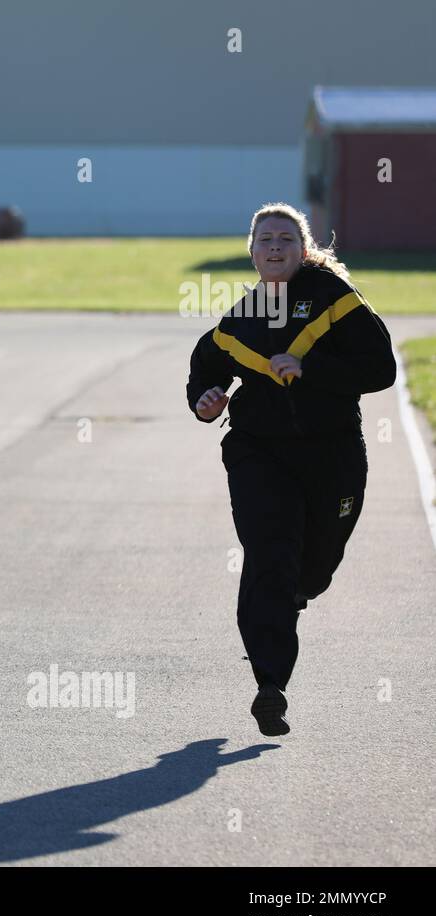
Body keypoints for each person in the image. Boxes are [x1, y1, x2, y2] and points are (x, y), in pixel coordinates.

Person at [186, 202, 395, 736]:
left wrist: (311, 368)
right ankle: (270, 683)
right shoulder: (240, 319)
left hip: (333, 454)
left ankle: (294, 594)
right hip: (260, 453)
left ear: (302, 250)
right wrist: (205, 400)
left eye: (285, 238)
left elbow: (381, 369)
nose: (275, 247)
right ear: (252, 252)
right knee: (270, 555)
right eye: (265, 240)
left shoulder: (336, 301)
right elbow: (206, 370)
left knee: (315, 565)